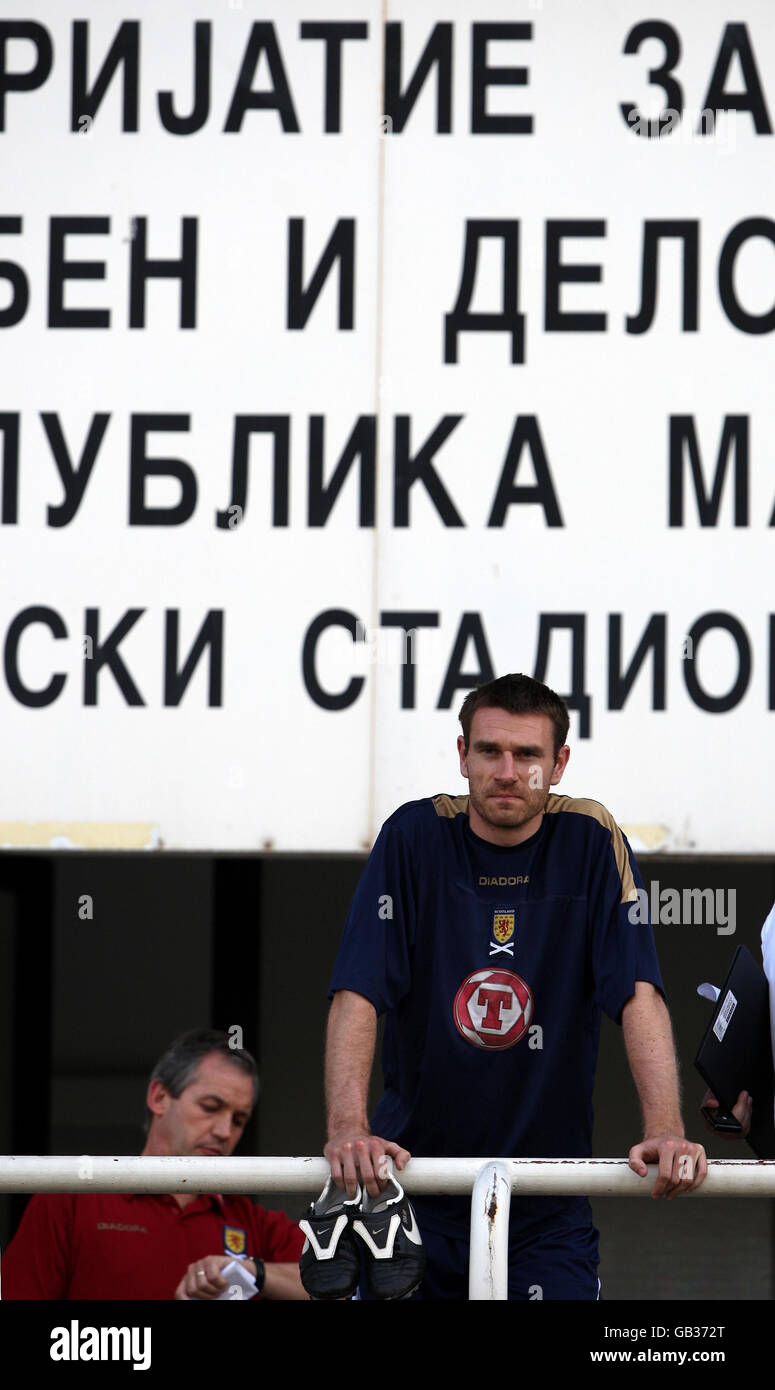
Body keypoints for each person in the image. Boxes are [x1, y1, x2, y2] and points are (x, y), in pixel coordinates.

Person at [323, 673, 707, 1300]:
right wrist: (346, 1127)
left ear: (559, 764)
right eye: (489, 751)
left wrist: (665, 1125)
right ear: (462, 755)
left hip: (544, 1204)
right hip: (411, 1191)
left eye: (527, 755)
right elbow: (358, 991)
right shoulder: (413, 836)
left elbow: (637, 990)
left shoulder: (590, 836)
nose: (506, 771)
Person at [2, 1028, 307, 1300]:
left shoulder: (253, 1222)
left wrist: (251, 1270)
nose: (224, 1131)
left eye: (239, 1120)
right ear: (159, 1097)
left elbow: (340, 1286)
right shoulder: (70, 1199)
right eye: (210, 1107)